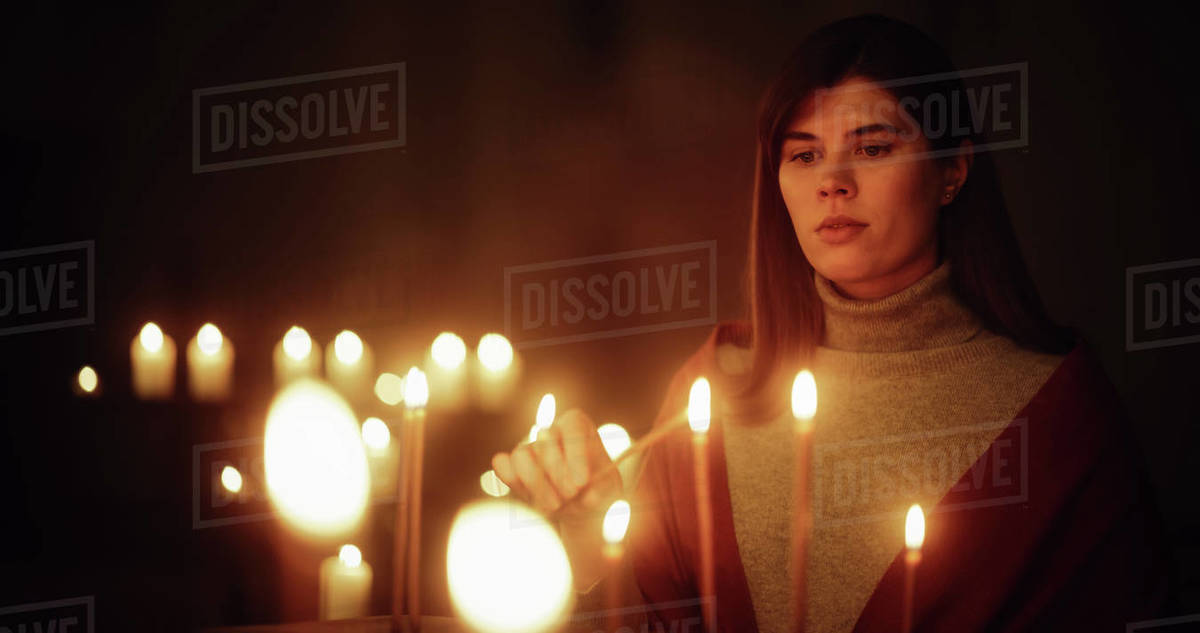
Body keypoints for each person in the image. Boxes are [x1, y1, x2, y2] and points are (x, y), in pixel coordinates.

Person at [492, 13, 1172, 633]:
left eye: (873, 149)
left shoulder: (1058, 414)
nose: (832, 182)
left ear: (952, 172)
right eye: (804, 154)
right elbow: (647, 614)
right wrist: (586, 550)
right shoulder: (715, 390)